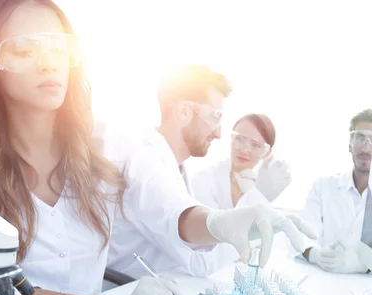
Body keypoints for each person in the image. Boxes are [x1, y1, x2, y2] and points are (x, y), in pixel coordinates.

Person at [0, 0, 182, 295]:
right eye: (23, 50)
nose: (49, 65)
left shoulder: (103, 140)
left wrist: (219, 220)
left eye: (57, 47)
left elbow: (167, 206)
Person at [107, 65, 316, 280]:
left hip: (163, 283)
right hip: (127, 293)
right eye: (215, 117)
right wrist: (257, 198)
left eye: (256, 145)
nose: (218, 133)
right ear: (183, 112)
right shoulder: (147, 166)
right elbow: (200, 262)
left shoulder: (174, 167)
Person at [188, 113, 291, 274]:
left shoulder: (262, 184)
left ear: (267, 153)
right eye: (239, 139)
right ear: (231, 139)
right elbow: (209, 255)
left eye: (256, 145)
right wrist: (259, 197)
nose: (245, 149)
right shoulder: (204, 180)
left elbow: (272, 247)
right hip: (200, 275)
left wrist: (257, 194)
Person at [302, 109, 372, 274]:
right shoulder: (323, 186)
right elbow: (302, 233)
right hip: (322, 284)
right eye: (360, 137)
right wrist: (316, 254)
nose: (367, 148)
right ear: (350, 144)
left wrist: (365, 265)